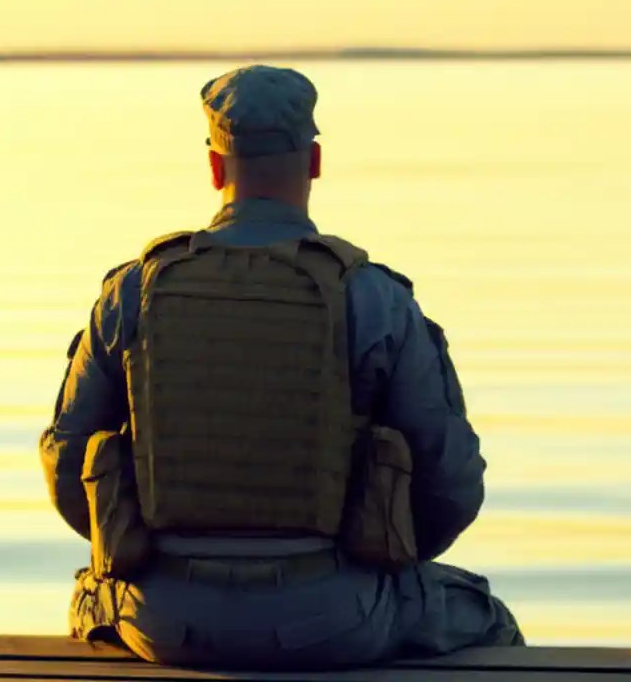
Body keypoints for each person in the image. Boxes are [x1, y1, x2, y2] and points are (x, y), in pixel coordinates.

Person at [39, 64, 523, 670]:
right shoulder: (373, 298)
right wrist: (379, 560)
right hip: (336, 617)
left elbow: (67, 469)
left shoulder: (133, 293)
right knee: (484, 614)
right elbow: (451, 484)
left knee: (90, 593)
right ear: (314, 161)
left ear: (215, 168)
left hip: (162, 621)